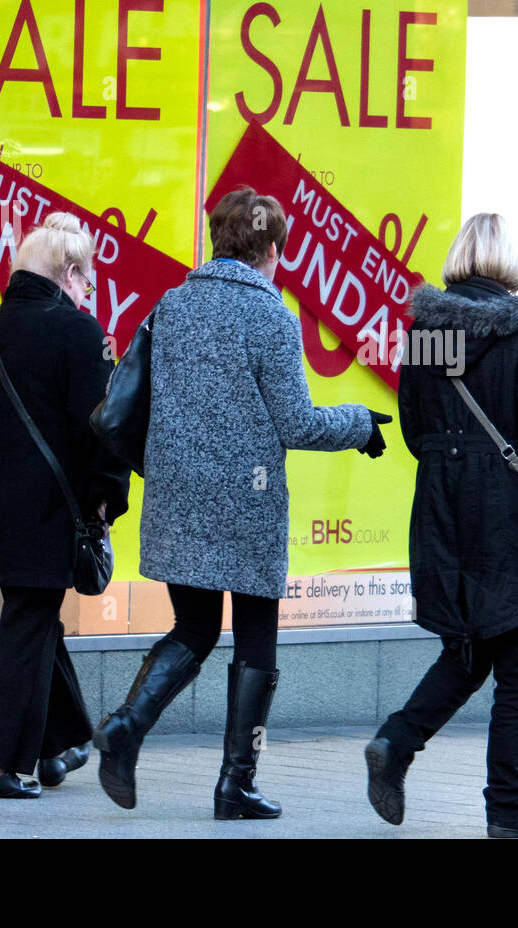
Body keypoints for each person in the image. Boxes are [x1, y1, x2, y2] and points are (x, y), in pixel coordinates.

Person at [94, 186, 390, 817]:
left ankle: (126, 726)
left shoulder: (173, 305)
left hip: (177, 496)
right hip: (246, 502)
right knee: (256, 642)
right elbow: (298, 424)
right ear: (272, 247)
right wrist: (361, 425)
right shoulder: (272, 317)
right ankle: (236, 783)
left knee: (194, 628)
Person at [365, 212, 518, 838]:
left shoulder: (428, 328)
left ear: (459, 257)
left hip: (442, 509)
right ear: (505, 261)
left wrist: (451, 464)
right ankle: (508, 811)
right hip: (505, 512)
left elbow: (413, 425)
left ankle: (397, 742)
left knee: (469, 648)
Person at [0, 212, 131, 798]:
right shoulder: (78, 333)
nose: (90, 292)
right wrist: (106, 500)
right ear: (70, 273)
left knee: (35, 617)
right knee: (27, 622)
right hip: (51, 510)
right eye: (89, 281)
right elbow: (102, 429)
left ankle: (61, 745)